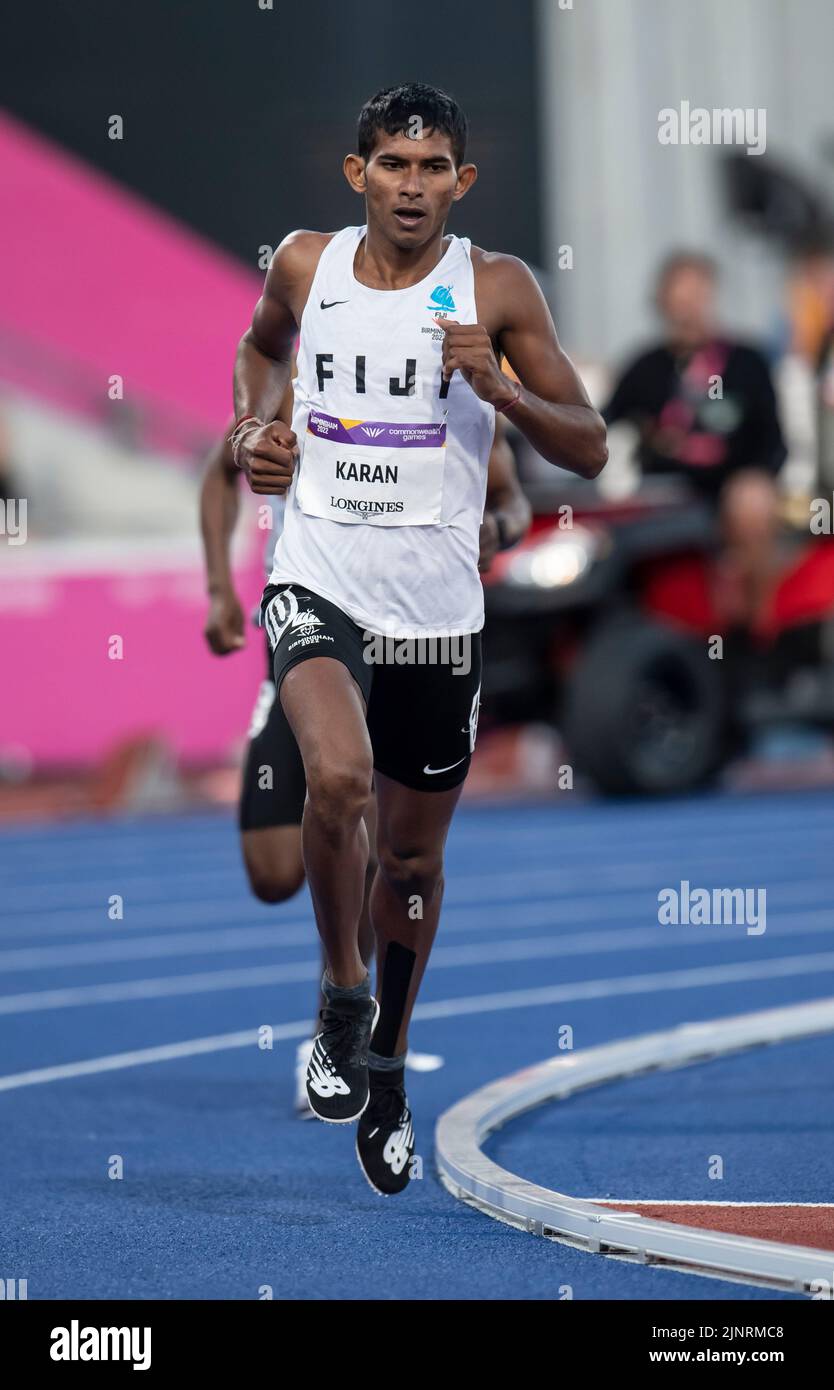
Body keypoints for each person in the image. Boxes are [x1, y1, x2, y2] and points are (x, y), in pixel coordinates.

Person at [231, 82, 606, 1194]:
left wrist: (500, 387)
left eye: (433, 166)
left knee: (413, 857)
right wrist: (256, 426)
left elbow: (586, 446)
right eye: (393, 164)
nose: (412, 185)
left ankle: (387, 1062)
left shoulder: (496, 287)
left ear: (462, 181)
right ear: (359, 176)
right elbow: (258, 352)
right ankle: (344, 991)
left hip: (437, 616)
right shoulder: (306, 264)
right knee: (336, 776)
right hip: (319, 577)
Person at [199, 400, 530, 1117]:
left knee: (375, 826)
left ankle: (338, 1021)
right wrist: (222, 587)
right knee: (272, 871)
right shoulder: (307, 380)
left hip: (405, 643)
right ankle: (343, 994)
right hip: (305, 640)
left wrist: (492, 530)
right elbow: (218, 474)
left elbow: (513, 502)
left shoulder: (453, 409)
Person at [604, 251, 787, 627]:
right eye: (678, 302)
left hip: (731, 487)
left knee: (752, 504)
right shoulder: (645, 366)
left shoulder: (747, 361)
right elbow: (601, 428)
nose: (687, 312)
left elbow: (774, 440)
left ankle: (757, 630)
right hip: (661, 489)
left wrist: (756, 480)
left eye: (696, 299)